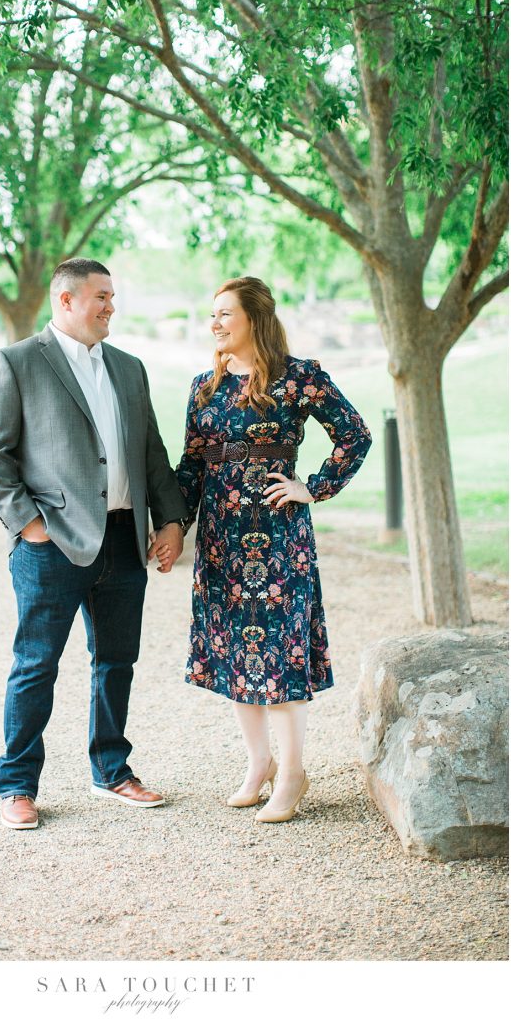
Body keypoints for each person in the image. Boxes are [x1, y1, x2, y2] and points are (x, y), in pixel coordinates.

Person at [0, 259, 188, 829]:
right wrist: (28, 524)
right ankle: (17, 786)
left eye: (112, 296)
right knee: (36, 664)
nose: (111, 306)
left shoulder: (129, 368)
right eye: (101, 296)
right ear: (66, 300)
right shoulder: (15, 363)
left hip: (124, 539)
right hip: (52, 544)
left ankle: (112, 771)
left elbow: (152, 452)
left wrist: (170, 521)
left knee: (116, 662)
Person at [164, 276, 371, 823]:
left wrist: (314, 487)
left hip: (278, 538)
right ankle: (260, 764)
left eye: (225, 314)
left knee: (280, 652)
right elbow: (192, 465)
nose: (214, 323)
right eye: (212, 314)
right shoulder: (203, 387)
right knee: (237, 651)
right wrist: (176, 525)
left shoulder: (299, 377)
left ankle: (294, 771)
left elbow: (355, 434)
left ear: (254, 318)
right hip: (221, 537)